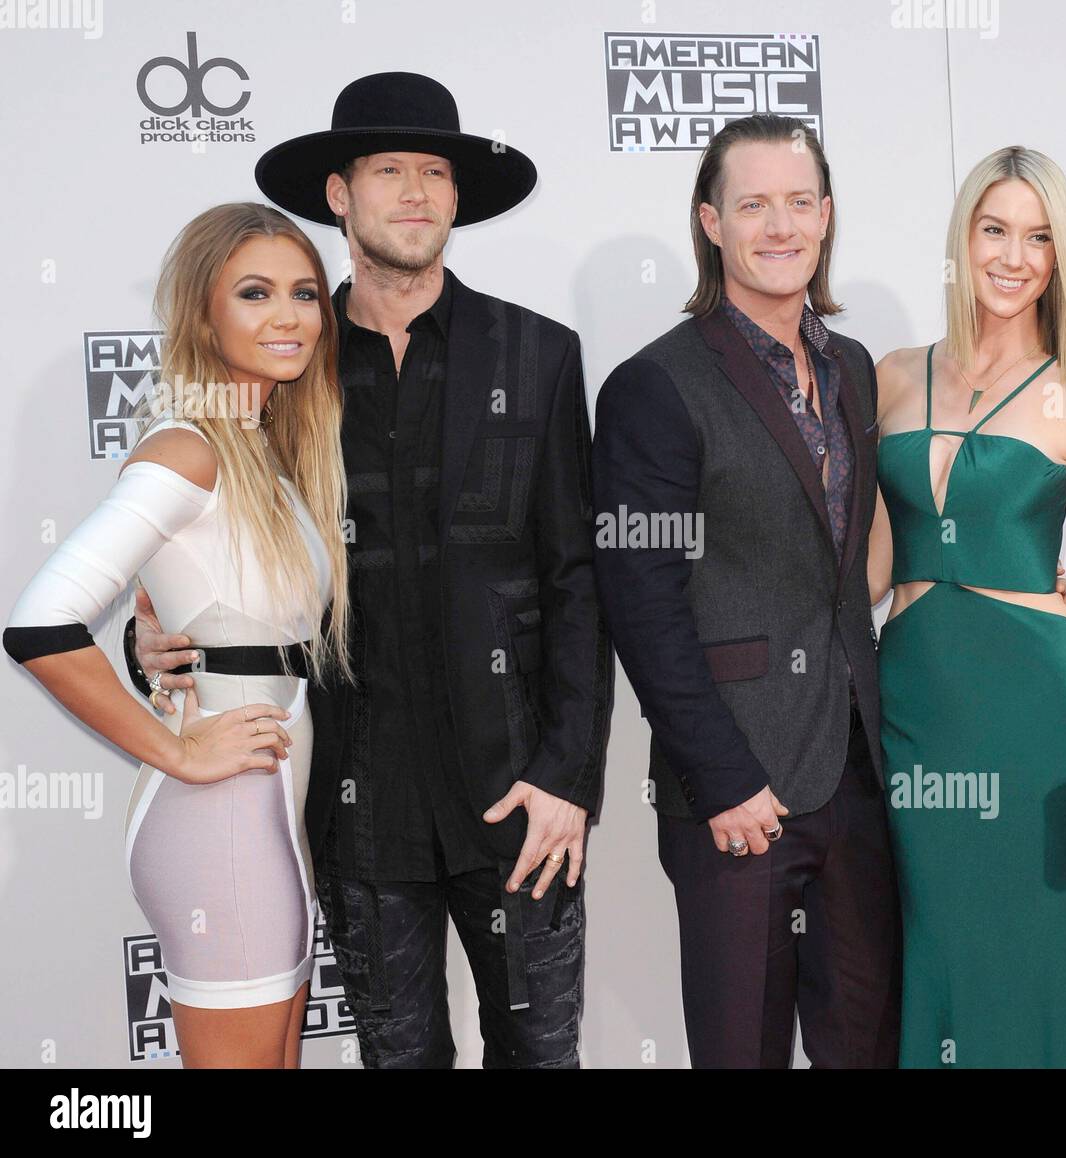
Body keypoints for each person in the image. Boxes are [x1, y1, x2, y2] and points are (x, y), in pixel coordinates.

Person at [126, 72, 612, 1068]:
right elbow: (202, 528)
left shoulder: (540, 354)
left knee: (543, 1058)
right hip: (354, 799)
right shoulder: (282, 366)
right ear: (339, 196)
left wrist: (569, 776)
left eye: (434, 171)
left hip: (519, 799)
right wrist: (154, 629)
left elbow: (575, 578)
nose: (417, 193)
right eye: (389, 170)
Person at [4, 202, 352, 1067]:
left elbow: (223, 605)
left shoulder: (262, 447)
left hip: (268, 815)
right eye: (256, 292)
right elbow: (39, 623)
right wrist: (178, 749)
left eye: (305, 292)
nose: (289, 316)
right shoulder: (188, 448)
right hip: (220, 820)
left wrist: (150, 627)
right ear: (204, 315)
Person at [592, 114, 902, 1068]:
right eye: (753, 204)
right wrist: (722, 779)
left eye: (799, 202)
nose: (780, 226)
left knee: (865, 1045)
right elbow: (641, 603)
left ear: (827, 217)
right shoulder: (657, 385)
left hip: (855, 772)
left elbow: (847, 565)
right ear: (711, 222)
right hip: (737, 791)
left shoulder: (850, 367)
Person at [869, 145, 1066, 1068]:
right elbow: (873, 573)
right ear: (963, 238)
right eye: (995, 229)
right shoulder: (889, 376)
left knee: (1046, 969)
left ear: (1061, 256)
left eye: (1040, 238)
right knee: (941, 960)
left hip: (1038, 721)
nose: (1014, 257)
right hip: (918, 713)